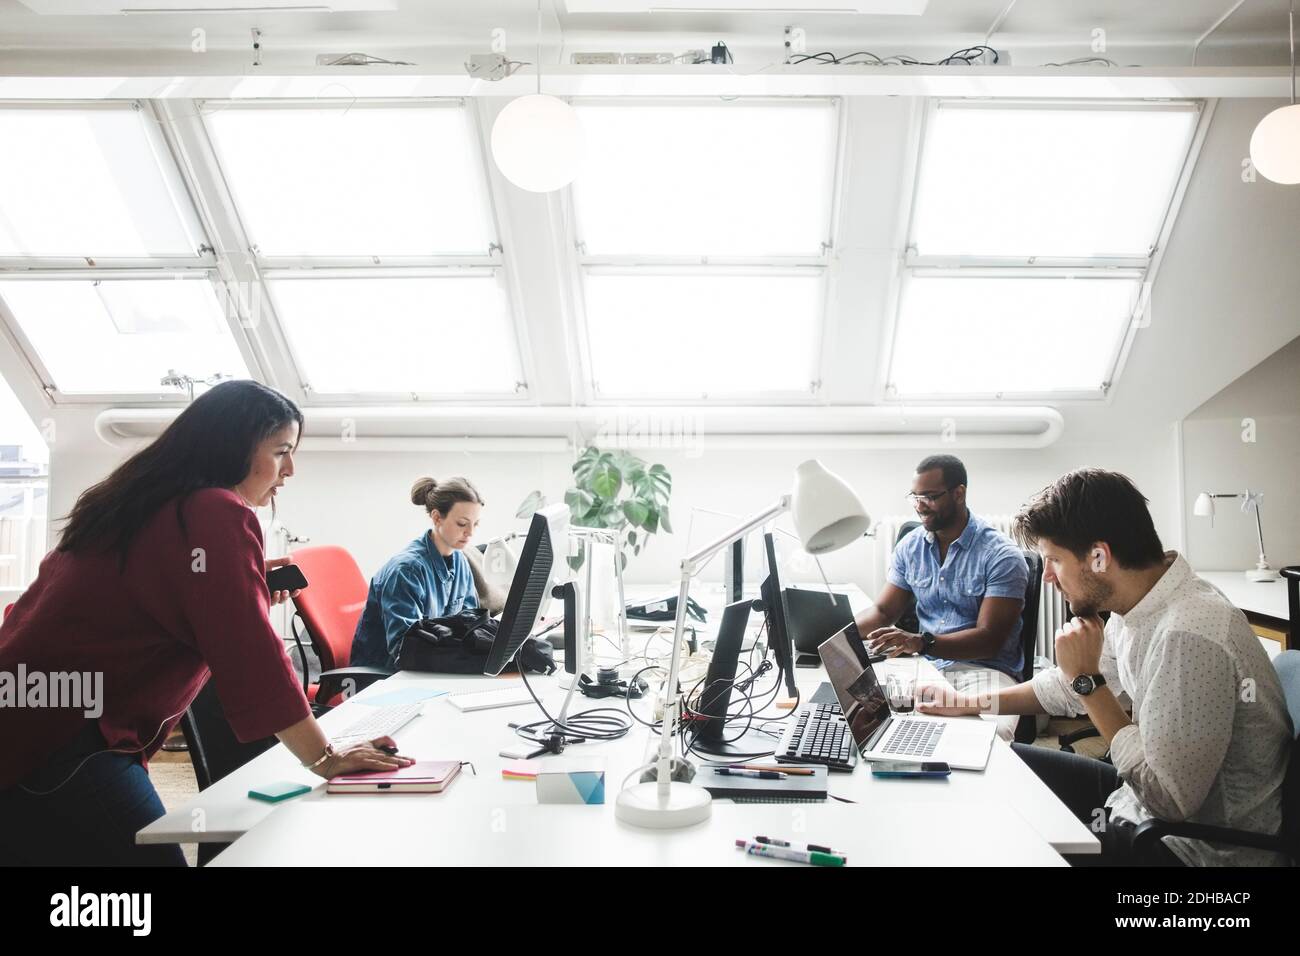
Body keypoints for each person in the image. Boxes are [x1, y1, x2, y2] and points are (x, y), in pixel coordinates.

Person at [0, 380, 412, 866]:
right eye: (281, 451)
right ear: (232, 447)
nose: (290, 469)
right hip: (67, 738)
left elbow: (137, 591)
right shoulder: (215, 509)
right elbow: (253, 654)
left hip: (29, 710)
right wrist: (324, 758)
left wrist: (242, 581)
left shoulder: (141, 498)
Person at [919, 468, 1293, 866]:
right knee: (991, 762)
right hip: (1135, 800)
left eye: (1054, 561)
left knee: (1004, 847)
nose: (1046, 577)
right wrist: (965, 702)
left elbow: (1169, 801)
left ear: (1099, 556)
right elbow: (1064, 688)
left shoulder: (1189, 634)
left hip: (1187, 848)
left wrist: (1090, 685)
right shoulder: (1141, 603)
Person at [853, 454, 1029, 740]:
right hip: (927, 668)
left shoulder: (1001, 556)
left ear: (959, 494)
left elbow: (988, 640)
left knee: (987, 739)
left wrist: (922, 642)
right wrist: (839, 635)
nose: (920, 506)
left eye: (930, 497)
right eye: (915, 496)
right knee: (867, 718)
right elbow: (884, 612)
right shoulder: (911, 547)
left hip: (986, 674)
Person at [351, 476, 498, 670]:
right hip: (387, 675)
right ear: (437, 518)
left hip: (432, 664)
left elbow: (470, 624)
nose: (470, 532)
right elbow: (403, 650)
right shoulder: (406, 571)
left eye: (475, 524)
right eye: (462, 524)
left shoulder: (460, 560)